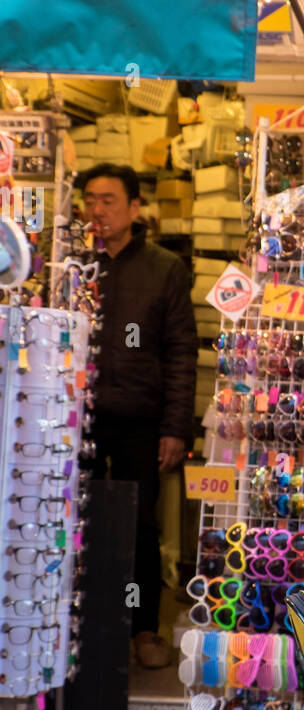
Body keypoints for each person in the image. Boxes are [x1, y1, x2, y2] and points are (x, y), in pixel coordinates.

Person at [79, 163, 197, 670]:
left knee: (139, 529)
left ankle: (141, 624)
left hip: (139, 422)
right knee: (76, 520)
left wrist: (175, 427)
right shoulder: (72, 265)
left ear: (133, 207)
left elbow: (180, 353)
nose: (97, 210)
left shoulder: (163, 268)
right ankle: (82, 621)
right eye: (90, 200)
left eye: (108, 200)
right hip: (76, 421)